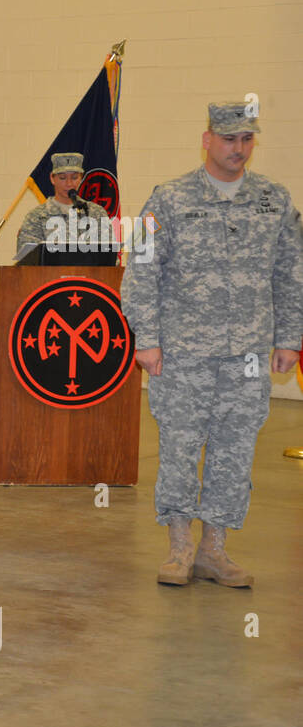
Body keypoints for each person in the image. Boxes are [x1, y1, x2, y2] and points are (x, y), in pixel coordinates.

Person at [121, 102, 303, 588]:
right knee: (180, 447)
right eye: (228, 139)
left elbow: (291, 272)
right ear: (207, 140)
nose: (238, 149)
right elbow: (141, 271)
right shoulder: (171, 198)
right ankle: (179, 549)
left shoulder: (274, 200)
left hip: (247, 354)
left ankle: (214, 550)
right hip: (182, 353)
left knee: (235, 451)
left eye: (246, 139)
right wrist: (148, 339)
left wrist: (289, 336)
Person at [14, 152, 110, 260]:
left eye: (74, 177)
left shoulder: (95, 213)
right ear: (52, 178)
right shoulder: (36, 216)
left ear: (81, 178)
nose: (69, 183)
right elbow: (27, 261)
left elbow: (110, 259)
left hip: (88, 277)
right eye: (62, 178)